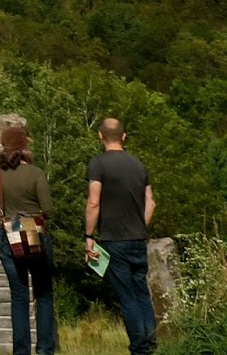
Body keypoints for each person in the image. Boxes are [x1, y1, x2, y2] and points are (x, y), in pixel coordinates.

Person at [85, 117, 157, 355]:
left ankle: (140, 349)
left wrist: (89, 236)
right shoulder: (139, 165)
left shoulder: (98, 164)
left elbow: (94, 202)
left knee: (127, 297)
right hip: (138, 238)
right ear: (124, 137)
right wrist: (140, 226)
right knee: (141, 293)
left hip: (113, 240)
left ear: (100, 136)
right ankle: (151, 342)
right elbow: (151, 203)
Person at [0, 122, 57, 355]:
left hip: (9, 238)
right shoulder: (35, 173)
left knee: (18, 296)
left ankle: (21, 352)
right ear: (25, 146)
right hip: (35, 235)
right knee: (43, 293)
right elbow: (48, 211)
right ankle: (45, 350)